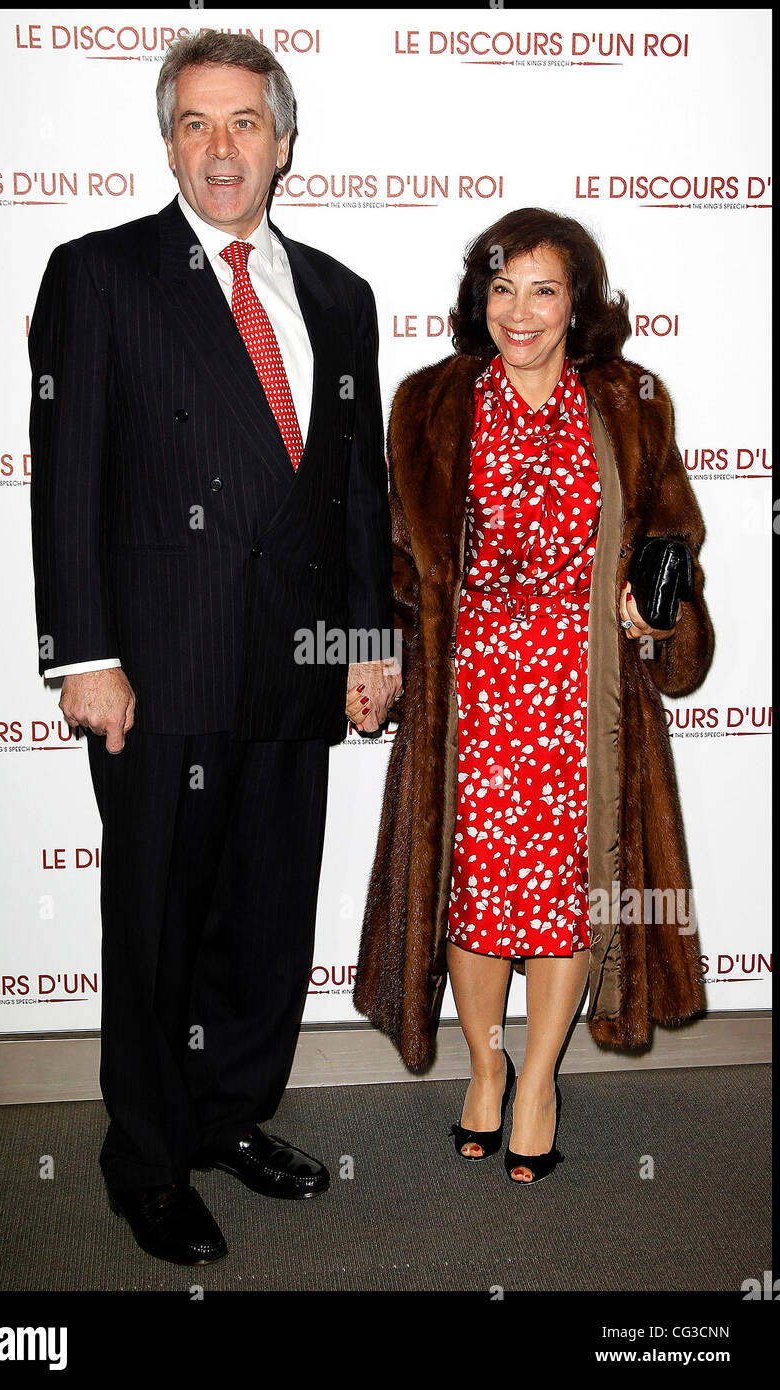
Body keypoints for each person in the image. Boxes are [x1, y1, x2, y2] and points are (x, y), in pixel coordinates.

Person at [29, 31, 399, 1265]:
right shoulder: (100, 275)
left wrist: (365, 644)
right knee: (155, 924)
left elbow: (358, 494)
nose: (222, 146)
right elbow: (65, 477)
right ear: (168, 142)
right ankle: (145, 1157)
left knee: (265, 912)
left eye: (245, 122)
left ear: (285, 141)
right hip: (160, 667)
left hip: (295, 667)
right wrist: (83, 651)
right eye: (195, 123)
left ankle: (230, 1116)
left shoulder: (340, 298)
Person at [354, 207, 714, 1183]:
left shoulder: (631, 404)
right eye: (503, 286)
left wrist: (658, 609)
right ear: (482, 296)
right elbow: (389, 561)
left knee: (563, 902)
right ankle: (485, 1064)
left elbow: (672, 541)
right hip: (472, 698)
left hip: (580, 698)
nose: (521, 310)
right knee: (473, 903)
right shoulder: (428, 403)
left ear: (577, 302)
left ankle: (542, 1080)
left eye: (544, 289)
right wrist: (375, 655)